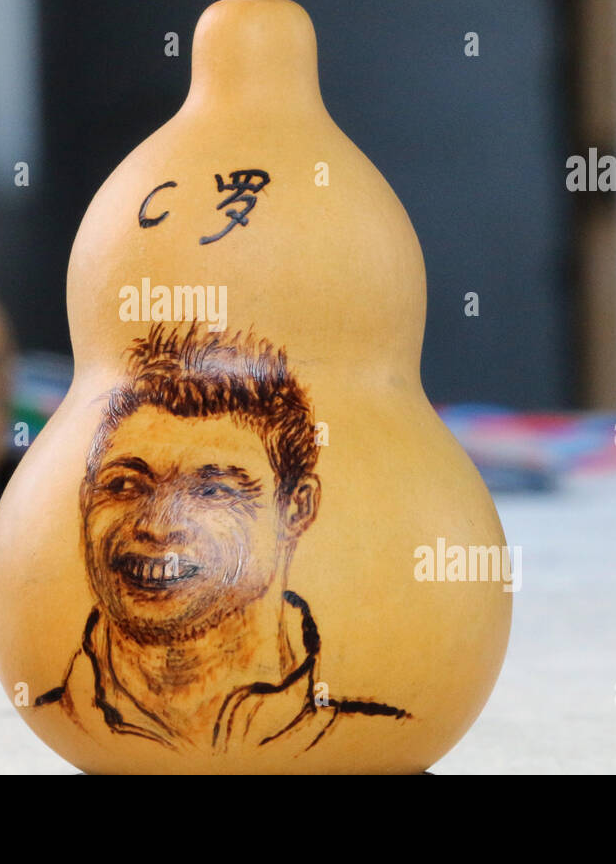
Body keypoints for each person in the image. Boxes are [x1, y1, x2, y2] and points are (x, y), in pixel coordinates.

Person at [35, 323, 410, 756]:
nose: (157, 525)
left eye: (213, 491)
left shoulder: (378, 741)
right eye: (124, 485)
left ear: (296, 509)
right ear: (86, 497)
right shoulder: (58, 719)